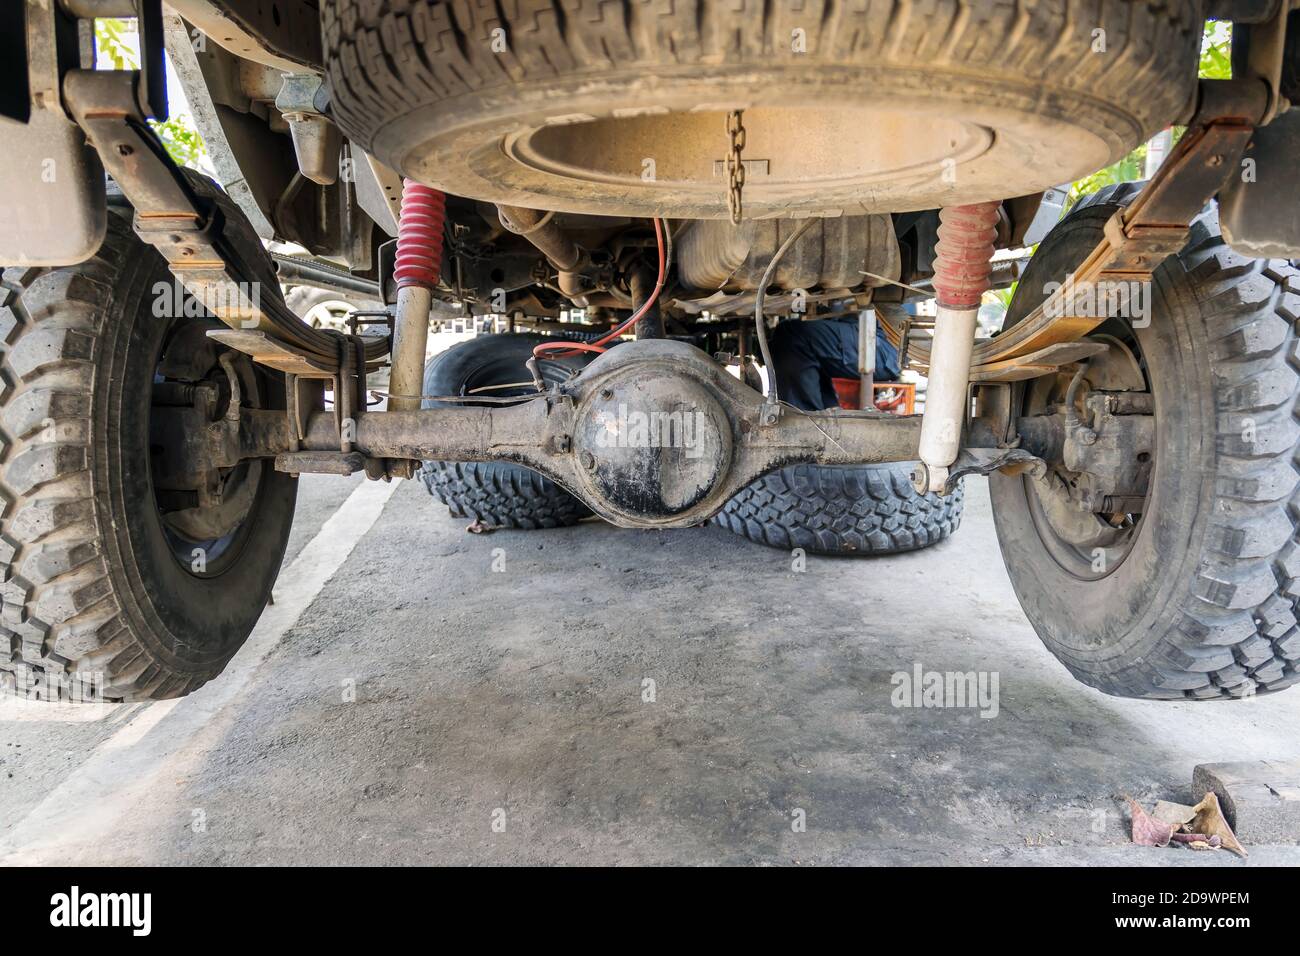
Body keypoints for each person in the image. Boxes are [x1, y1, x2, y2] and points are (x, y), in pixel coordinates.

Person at [768, 312, 901, 411]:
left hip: (886, 344)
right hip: (879, 336)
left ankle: (803, 427)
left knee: (791, 335)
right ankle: (824, 426)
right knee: (806, 344)